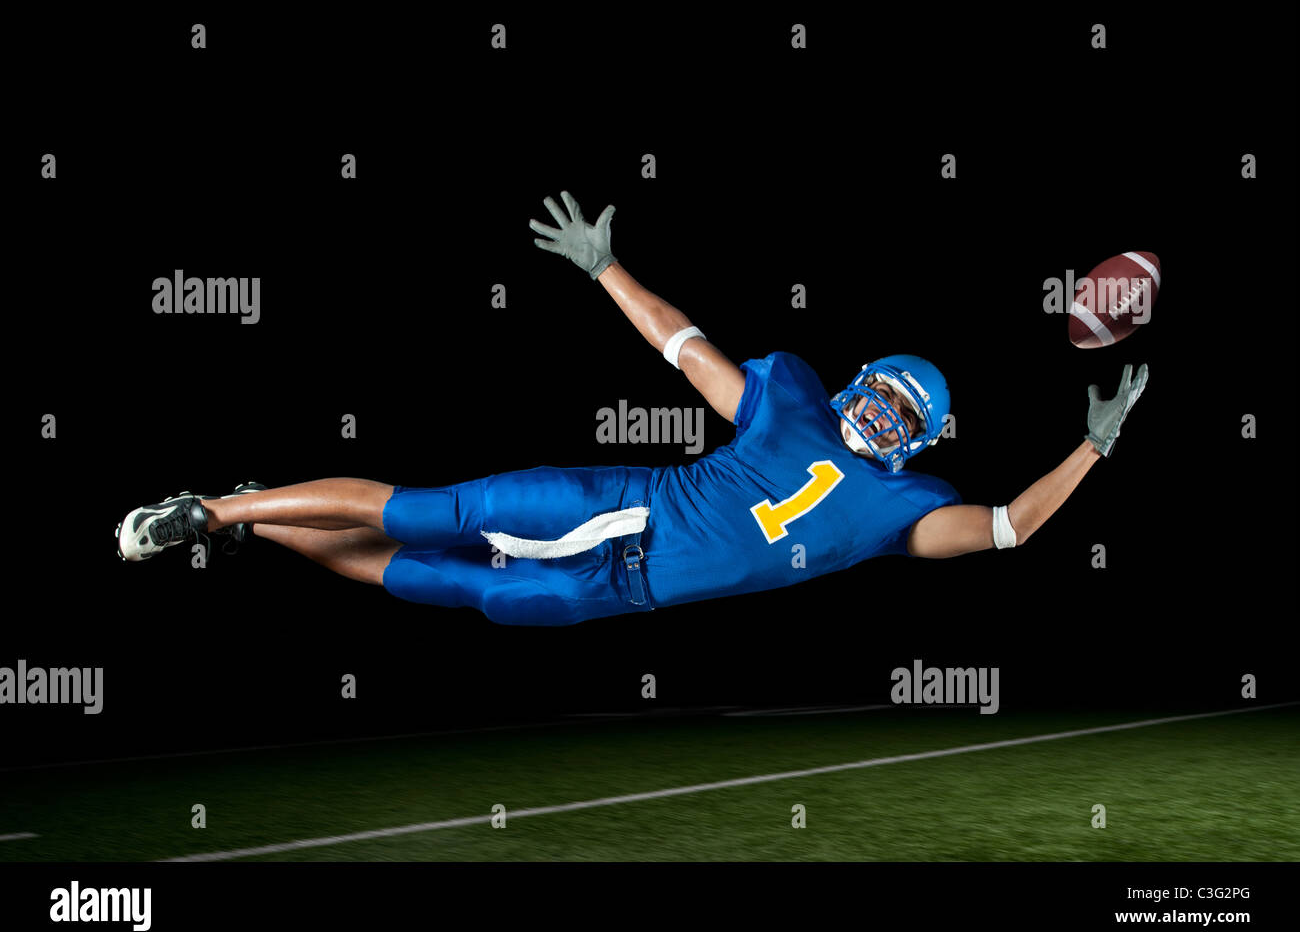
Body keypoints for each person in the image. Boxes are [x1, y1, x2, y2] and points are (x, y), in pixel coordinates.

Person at [116, 191, 1149, 625]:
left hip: (624, 597)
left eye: (897, 412)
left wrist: (1090, 451)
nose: (878, 414)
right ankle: (206, 509)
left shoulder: (905, 506)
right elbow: (684, 346)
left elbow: (1009, 530)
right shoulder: (787, 400)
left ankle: (256, 510)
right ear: (854, 382)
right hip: (615, 506)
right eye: (878, 391)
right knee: (420, 510)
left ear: (918, 440)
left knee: (421, 582)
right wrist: (609, 268)